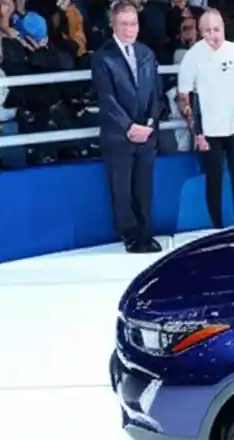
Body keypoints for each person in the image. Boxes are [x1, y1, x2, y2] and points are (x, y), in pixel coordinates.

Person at [92, 0, 165, 253]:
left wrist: (149, 124)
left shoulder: (147, 54)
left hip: (146, 134)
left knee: (143, 189)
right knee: (121, 189)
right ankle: (130, 235)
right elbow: (107, 99)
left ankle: (146, 232)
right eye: (124, 24)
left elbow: (156, 94)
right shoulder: (103, 57)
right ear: (113, 24)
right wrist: (128, 126)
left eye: (133, 23)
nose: (129, 29)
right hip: (119, 136)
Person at [176, 8, 234, 230]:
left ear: (224, 28)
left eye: (216, 29)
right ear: (200, 32)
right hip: (208, 130)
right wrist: (196, 132)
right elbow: (184, 98)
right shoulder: (192, 57)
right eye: (207, 31)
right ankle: (216, 225)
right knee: (214, 178)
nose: (213, 35)